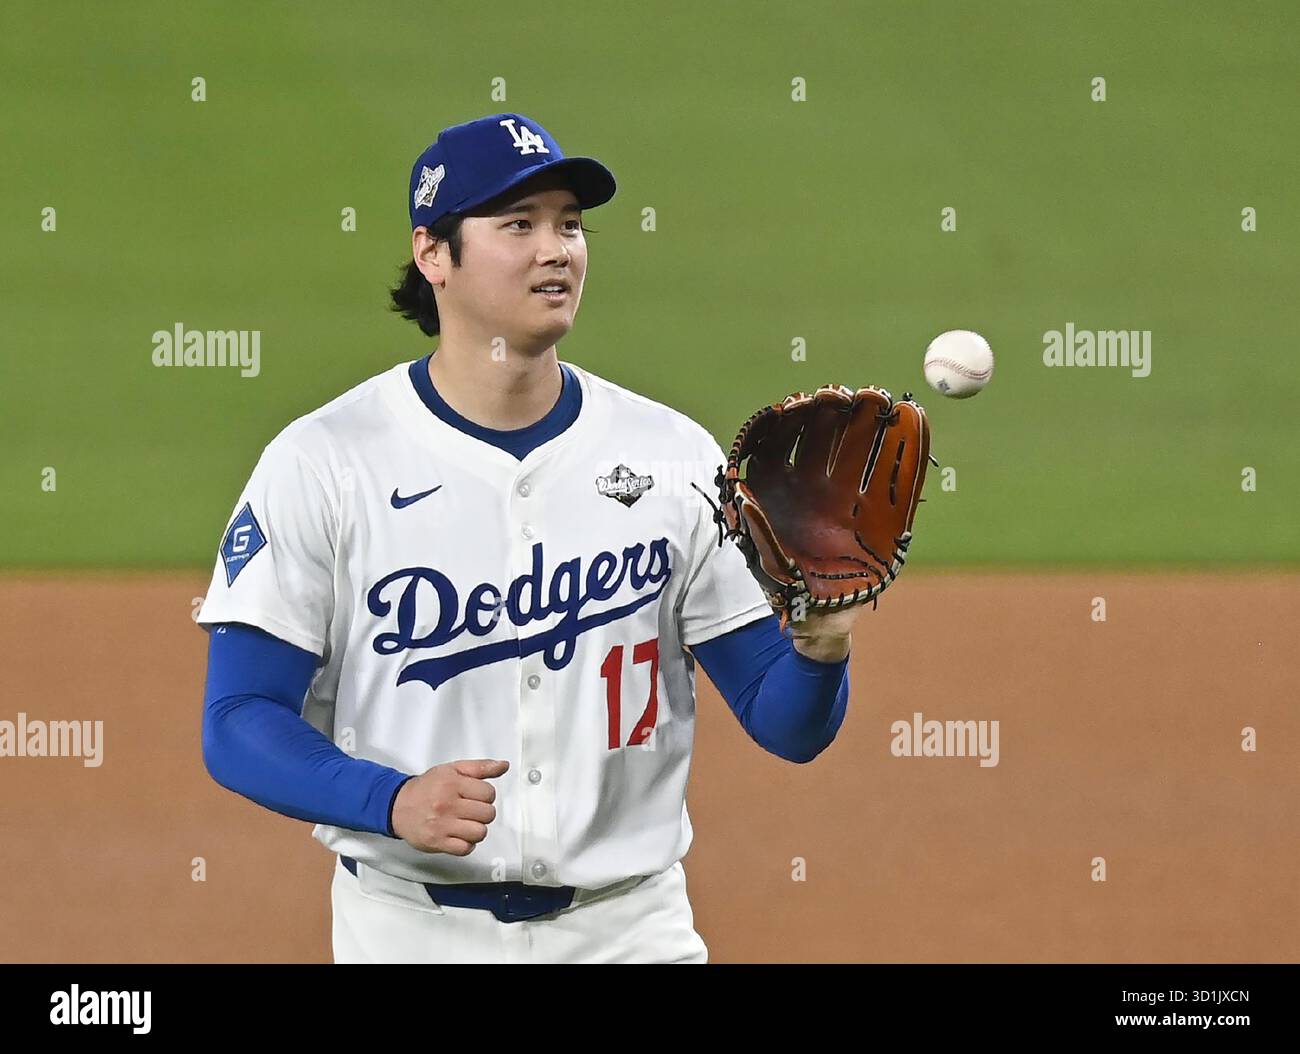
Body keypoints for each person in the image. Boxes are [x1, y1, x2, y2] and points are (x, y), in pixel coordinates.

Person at [197, 113, 857, 964]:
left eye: (570, 225)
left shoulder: (671, 455)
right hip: (412, 936)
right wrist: (388, 799)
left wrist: (821, 650)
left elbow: (788, 726)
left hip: (631, 933)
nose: (558, 250)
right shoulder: (324, 464)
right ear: (434, 254)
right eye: (520, 224)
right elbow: (238, 717)